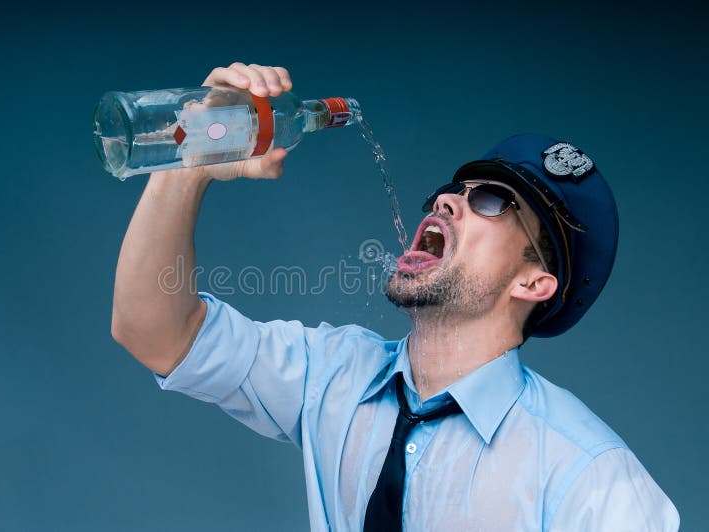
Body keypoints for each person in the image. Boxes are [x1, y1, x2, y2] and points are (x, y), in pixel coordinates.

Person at [111, 63, 680, 531]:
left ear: (532, 283)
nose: (447, 202)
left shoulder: (590, 477)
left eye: (490, 203)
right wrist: (187, 166)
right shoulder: (331, 375)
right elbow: (156, 332)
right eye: (453, 191)